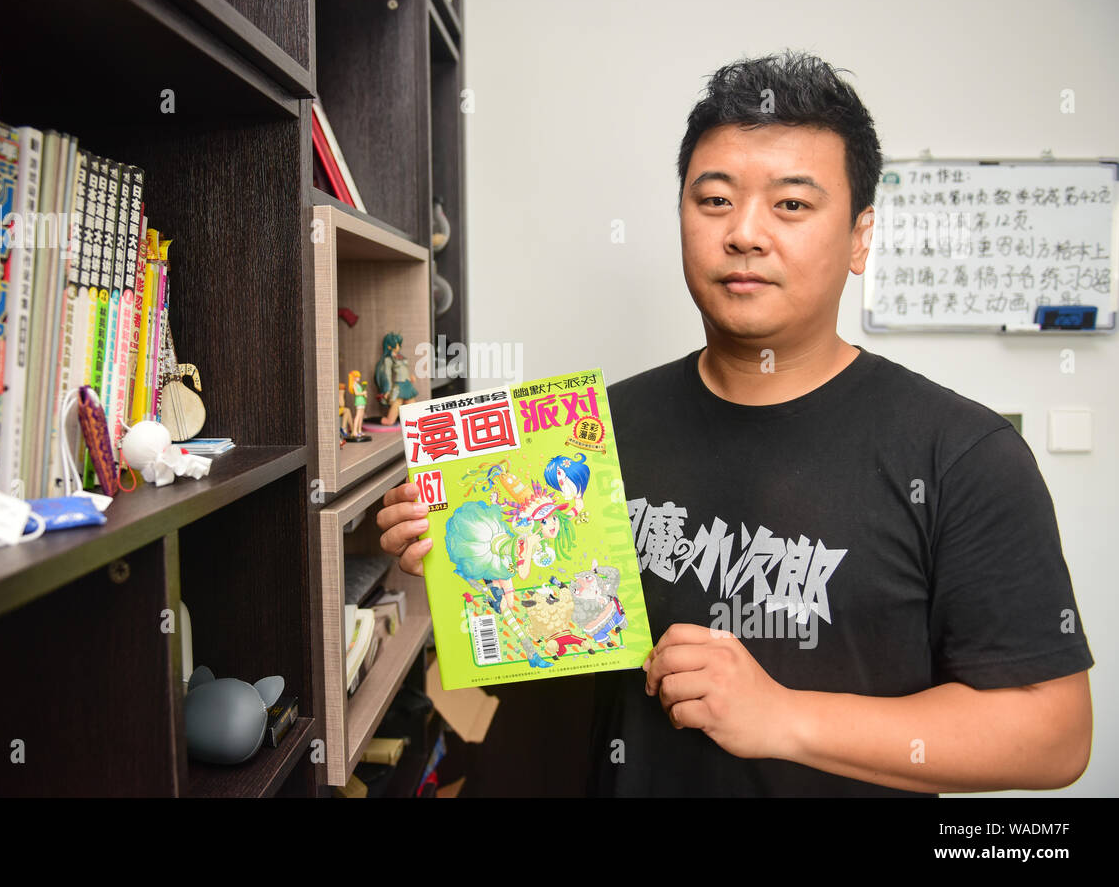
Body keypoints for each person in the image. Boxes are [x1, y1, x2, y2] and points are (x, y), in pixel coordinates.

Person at [375, 50, 1094, 796]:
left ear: (859, 236)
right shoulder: (589, 435)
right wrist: (462, 554)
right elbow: (543, 665)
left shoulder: (963, 455)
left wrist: (783, 717)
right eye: (714, 199)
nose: (744, 233)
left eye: (791, 204)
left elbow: (1054, 732)